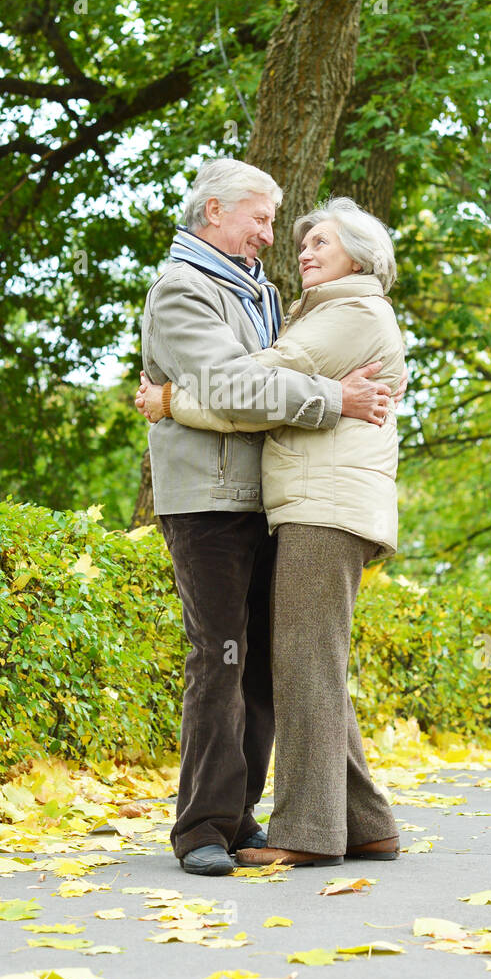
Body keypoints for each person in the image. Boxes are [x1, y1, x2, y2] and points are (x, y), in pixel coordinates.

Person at [140, 160, 399, 876]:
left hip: (266, 499)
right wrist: (330, 399)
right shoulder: (181, 290)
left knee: (263, 667)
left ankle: (241, 815)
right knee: (219, 657)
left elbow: (267, 382)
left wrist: (176, 400)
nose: (270, 236)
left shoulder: (263, 292)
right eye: (260, 219)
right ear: (215, 211)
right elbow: (236, 386)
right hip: (209, 501)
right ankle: (200, 828)